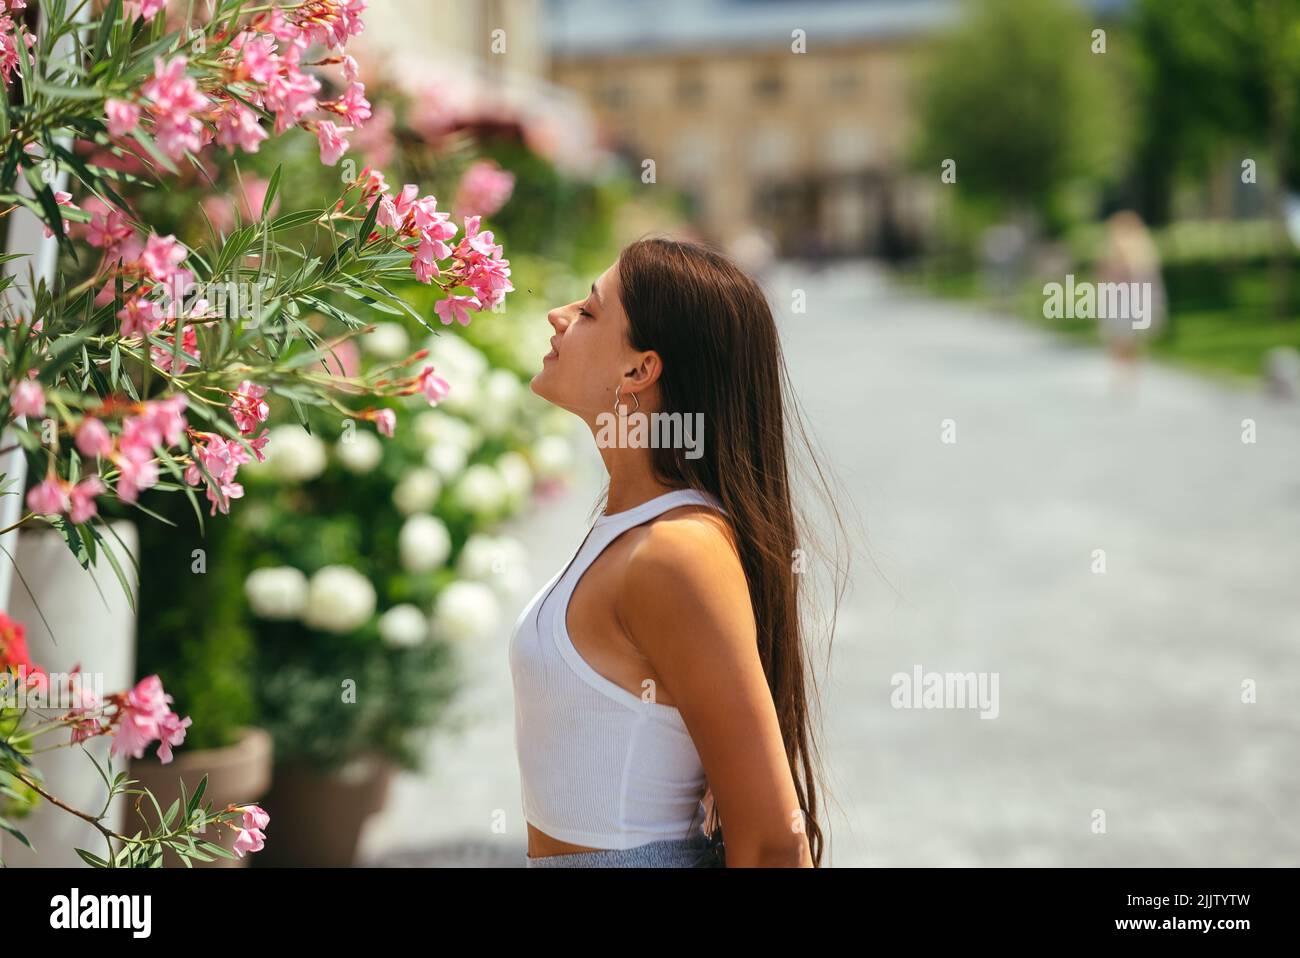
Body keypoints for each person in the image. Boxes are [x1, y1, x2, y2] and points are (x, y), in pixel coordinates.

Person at [511, 236, 843, 867]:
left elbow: (775, 841)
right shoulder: (630, 525)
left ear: (640, 370)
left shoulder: (675, 552)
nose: (557, 315)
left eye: (587, 311)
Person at [1095, 210, 1166, 397]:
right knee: (1121, 341)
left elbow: (1146, 280)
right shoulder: (1113, 250)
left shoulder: (1141, 251)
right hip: (1120, 302)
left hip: (1130, 302)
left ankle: (1127, 375)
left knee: (1129, 341)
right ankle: (1124, 375)